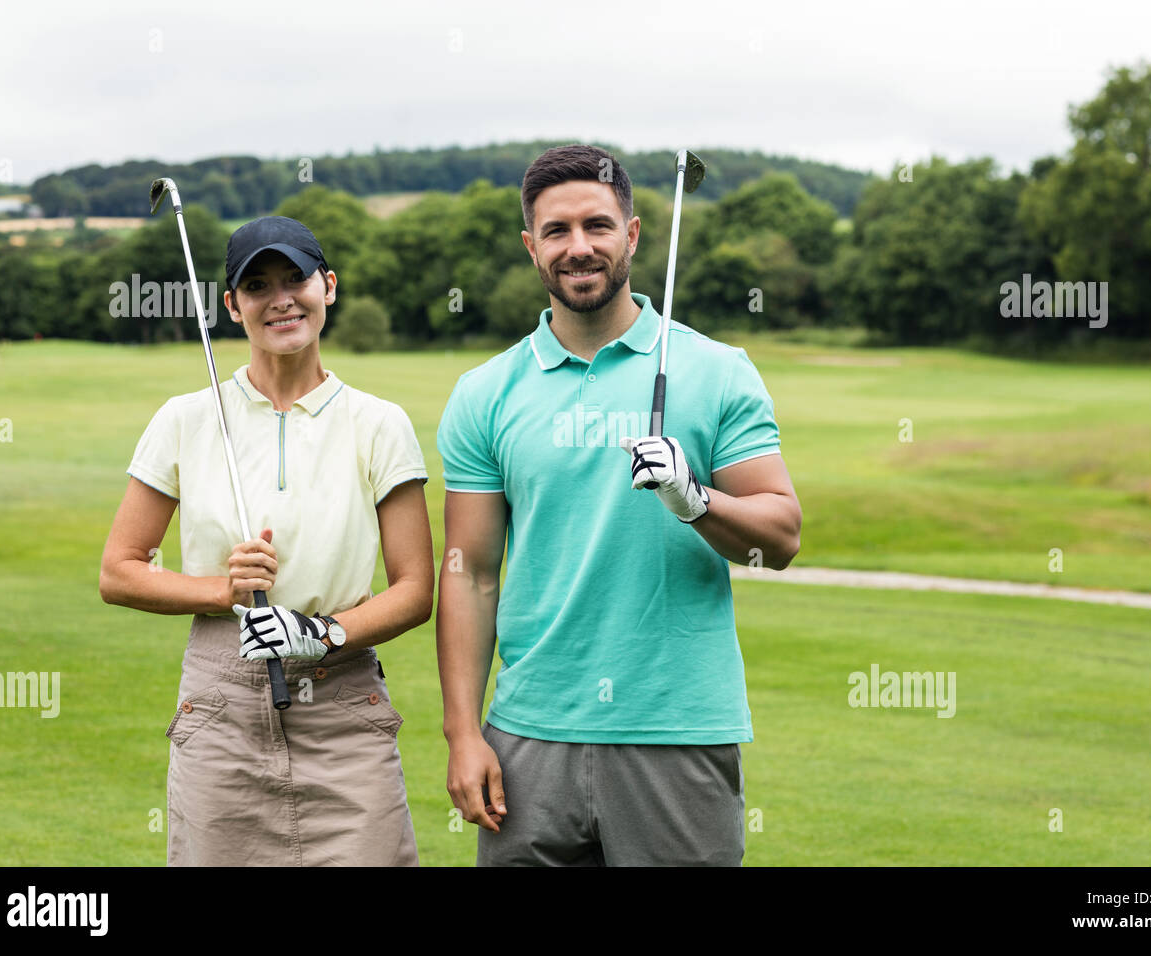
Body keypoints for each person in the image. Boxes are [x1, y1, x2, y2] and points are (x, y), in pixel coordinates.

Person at [436, 145, 802, 866]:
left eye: (598, 226)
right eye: (557, 231)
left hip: (676, 730)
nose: (579, 248)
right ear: (531, 248)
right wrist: (463, 732)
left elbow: (780, 535)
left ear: (631, 236)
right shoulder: (486, 393)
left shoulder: (715, 370)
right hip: (530, 732)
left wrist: (695, 499)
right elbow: (469, 574)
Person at [99, 216, 433, 866]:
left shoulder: (379, 423)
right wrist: (223, 590)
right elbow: (119, 570)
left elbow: (417, 589)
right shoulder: (186, 419)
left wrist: (326, 632)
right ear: (232, 306)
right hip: (222, 702)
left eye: (295, 278)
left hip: (342, 701)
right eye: (257, 285)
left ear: (327, 286)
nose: (280, 298)